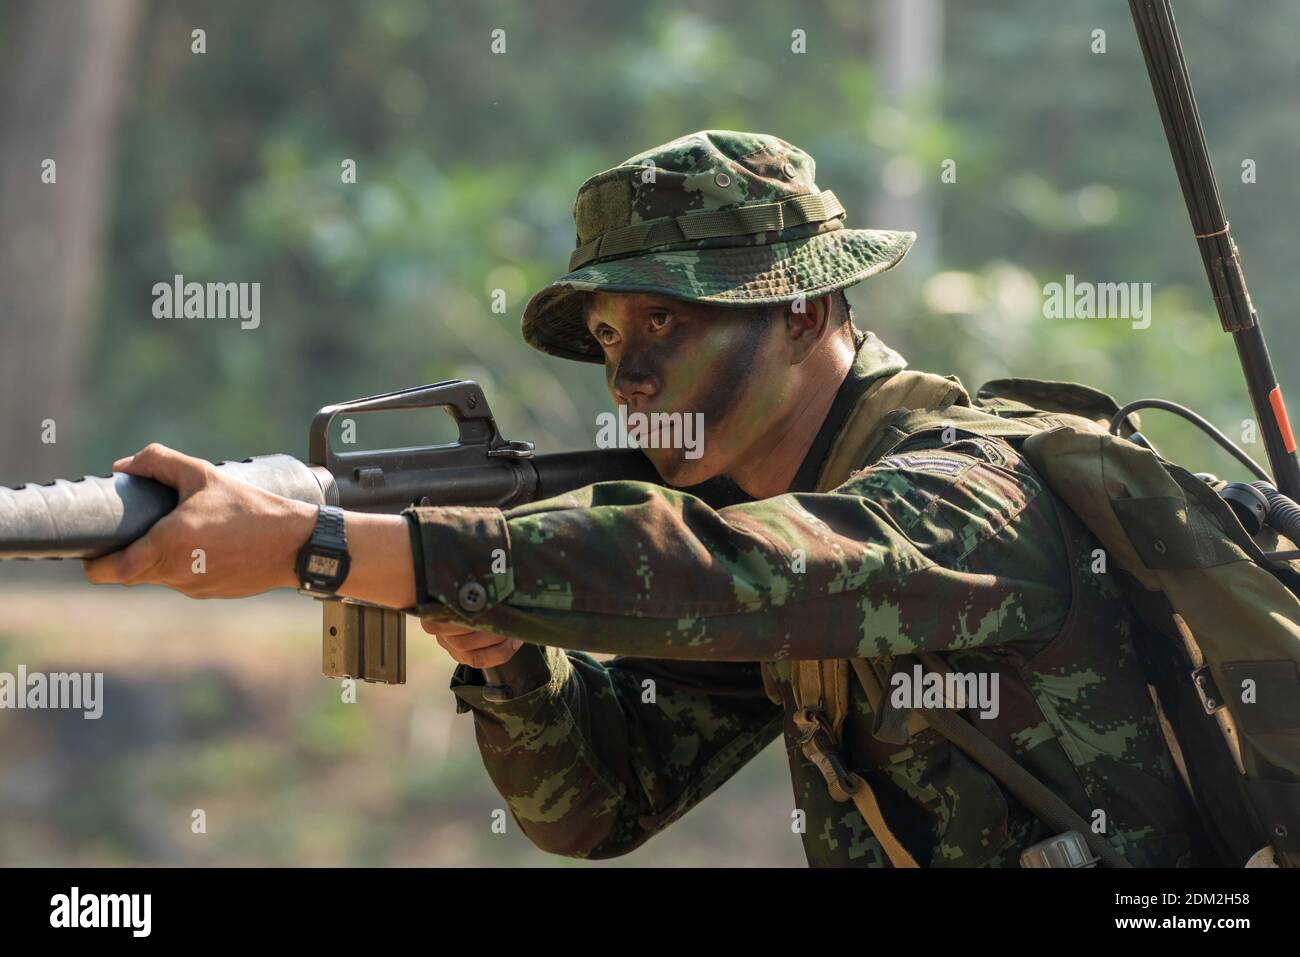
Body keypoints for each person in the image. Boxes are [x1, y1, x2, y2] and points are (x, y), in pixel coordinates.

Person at [85, 130, 1197, 866]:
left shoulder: (960, 496)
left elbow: (738, 571)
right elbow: (600, 803)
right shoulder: (769, 521)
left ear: (803, 315)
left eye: (669, 321)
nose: (626, 376)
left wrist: (320, 549)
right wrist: (506, 658)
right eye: (611, 334)